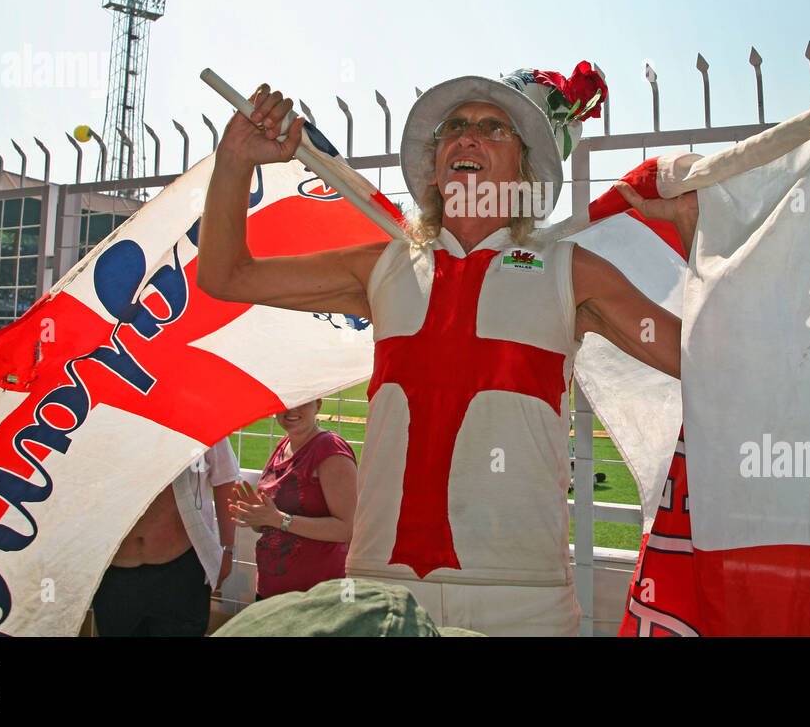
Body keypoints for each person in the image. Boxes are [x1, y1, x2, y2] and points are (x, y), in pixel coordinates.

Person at [198, 66, 693, 636]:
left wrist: (699, 242)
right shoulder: (380, 264)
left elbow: (693, 359)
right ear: (435, 168)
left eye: (492, 127)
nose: (467, 135)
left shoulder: (571, 271)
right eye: (454, 126)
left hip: (524, 601)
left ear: (525, 168)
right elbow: (226, 274)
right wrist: (235, 160)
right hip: (381, 590)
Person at [91, 437, 239, 636]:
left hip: (182, 569)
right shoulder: (98, 419)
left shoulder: (201, 413)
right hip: (113, 572)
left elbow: (225, 480)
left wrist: (227, 550)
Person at [228, 398, 357, 600]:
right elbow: (272, 522)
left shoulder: (330, 450)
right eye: (285, 402)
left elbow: (348, 529)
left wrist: (278, 519)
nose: (291, 410)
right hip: (271, 591)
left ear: (319, 405)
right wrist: (258, 516)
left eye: (303, 402)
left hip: (314, 598)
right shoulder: (284, 445)